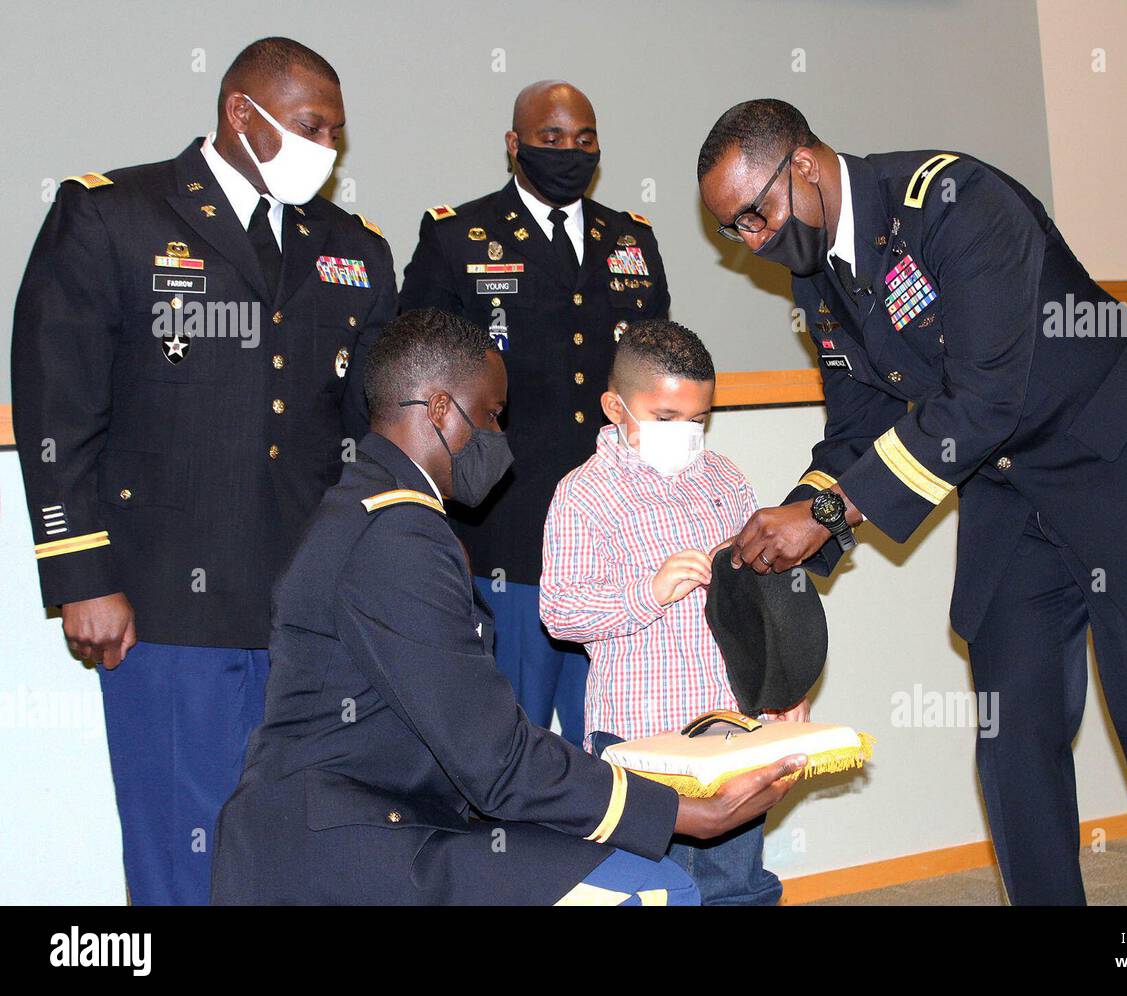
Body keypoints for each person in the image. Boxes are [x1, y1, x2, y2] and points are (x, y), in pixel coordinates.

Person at [696, 98, 1127, 905]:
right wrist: (798, 526)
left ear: (802, 164)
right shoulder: (817, 274)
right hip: (1014, 492)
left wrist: (829, 515)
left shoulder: (957, 203)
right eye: (734, 230)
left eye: (755, 215)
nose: (752, 243)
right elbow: (859, 426)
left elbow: (982, 402)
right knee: (1014, 737)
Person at [209, 308, 803, 905]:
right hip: (351, 841)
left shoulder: (379, 507)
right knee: (651, 891)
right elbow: (495, 756)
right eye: (492, 415)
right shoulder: (395, 537)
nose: (500, 438)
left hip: (401, 811)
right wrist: (677, 812)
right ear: (441, 409)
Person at [10, 37, 396, 904]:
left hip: (309, 614)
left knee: (300, 853)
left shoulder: (352, 249)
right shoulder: (115, 215)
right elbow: (57, 411)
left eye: (336, 131)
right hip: (164, 608)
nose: (326, 148)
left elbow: (370, 435)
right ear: (240, 112)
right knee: (185, 862)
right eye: (309, 126)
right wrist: (80, 574)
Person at [398, 80, 670, 746]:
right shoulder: (458, 237)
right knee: (509, 741)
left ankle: (613, 855)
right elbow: (416, 388)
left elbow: (656, 385)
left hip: (617, 541)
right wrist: (437, 520)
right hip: (506, 534)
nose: (570, 152)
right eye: (551, 139)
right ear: (514, 144)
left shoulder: (631, 240)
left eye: (585, 139)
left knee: (615, 739)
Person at [540, 319, 800, 906]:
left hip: (726, 724)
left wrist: (780, 685)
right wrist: (647, 593)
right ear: (615, 407)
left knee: (734, 883)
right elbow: (560, 611)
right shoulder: (584, 494)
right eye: (665, 419)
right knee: (654, 888)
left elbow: (760, 597)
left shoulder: (724, 478)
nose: (684, 433)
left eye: (697, 420)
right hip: (639, 737)